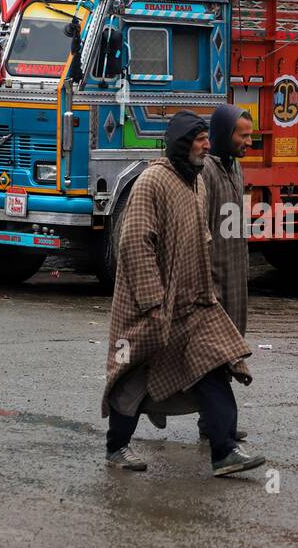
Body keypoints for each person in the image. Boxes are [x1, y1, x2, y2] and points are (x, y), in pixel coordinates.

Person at [101, 110, 266, 477]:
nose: (207, 145)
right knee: (134, 377)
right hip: (153, 305)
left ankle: (223, 450)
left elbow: (204, 240)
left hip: (193, 303)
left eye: (208, 138)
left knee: (213, 362)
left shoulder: (196, 183)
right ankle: (116, 447)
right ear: (181, 142)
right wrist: (153, 301)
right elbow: (134, 241)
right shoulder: (152, 181)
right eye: (199, 139)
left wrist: (207, 291)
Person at [196, 104, 253, 442]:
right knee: (214, 354)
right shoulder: (206, 172)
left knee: (228, 350)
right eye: (242, 135)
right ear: (223, 134)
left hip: (235, 275)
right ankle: (219, 430)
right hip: (215, 276)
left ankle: (213, 425)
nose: (249, 141)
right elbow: (201, 229)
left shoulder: (235, 168)